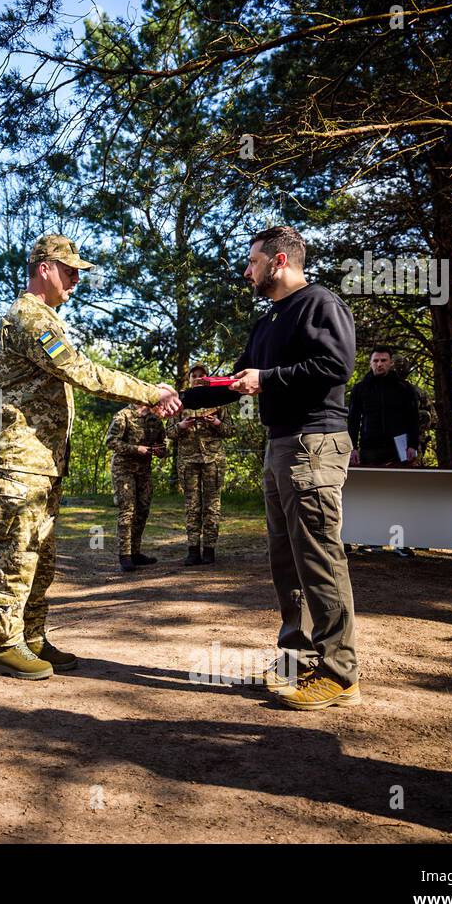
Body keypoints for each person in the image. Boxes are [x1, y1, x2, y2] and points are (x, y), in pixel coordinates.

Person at [0, 234, 180, 680]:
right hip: (19, 459)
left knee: (42, 554)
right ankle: (5, 643)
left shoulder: (45, 316)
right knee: (19, 550)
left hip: (41, 460)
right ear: (44, 268)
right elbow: (82, 371)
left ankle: (31, 637)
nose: (75, 280)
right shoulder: (30, 317)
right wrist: (150, 392)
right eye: (70, 271)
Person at [231, 225, 360, 710]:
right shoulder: (268, 319)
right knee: (285, 558)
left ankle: (340, 673)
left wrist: (267, 378)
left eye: (253, 262)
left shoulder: (321, 304)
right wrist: (182, 396)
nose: (248, 271)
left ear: (279, 260)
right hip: (279, 444)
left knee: (318, 555)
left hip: (315, 442)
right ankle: (297, 657)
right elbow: (240, 376)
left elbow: (335, 367)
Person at [166, 364, 234, 566]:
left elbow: (231, 431)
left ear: (207, 378)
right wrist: (181, 426)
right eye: (193, 375)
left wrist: (217, 424)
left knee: (212, 506)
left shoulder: (219, 400)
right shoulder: (180, 401)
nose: (197, 378)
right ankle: (193, 550)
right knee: (192, 506)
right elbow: (168, 432)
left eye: (201, 375)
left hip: (213, 461)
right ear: (188, 379)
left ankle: (210, 550)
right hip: (188, 462)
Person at [105, 402, 166, 571]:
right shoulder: (123, 415)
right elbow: (111, 442)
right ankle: (125, 556)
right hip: (123, 470)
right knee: (127, 510)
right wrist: (135, 449)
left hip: (144, 471)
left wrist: (161, 451)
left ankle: (135, 552)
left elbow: (162, 443)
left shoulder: (155, 419)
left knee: (143, 510)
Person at [348, 346, 420, 467]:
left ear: (391, 363)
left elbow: (413, 419)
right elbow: (353, 420)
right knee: (370, 484)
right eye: (375, 361)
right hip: (369, 448)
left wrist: (412, 445)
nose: (379, 364)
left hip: (398, 449)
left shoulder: (404, 388)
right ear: (370, 363)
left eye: (383, 360)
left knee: (398, 484)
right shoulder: (360, 388)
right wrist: (352, 448)